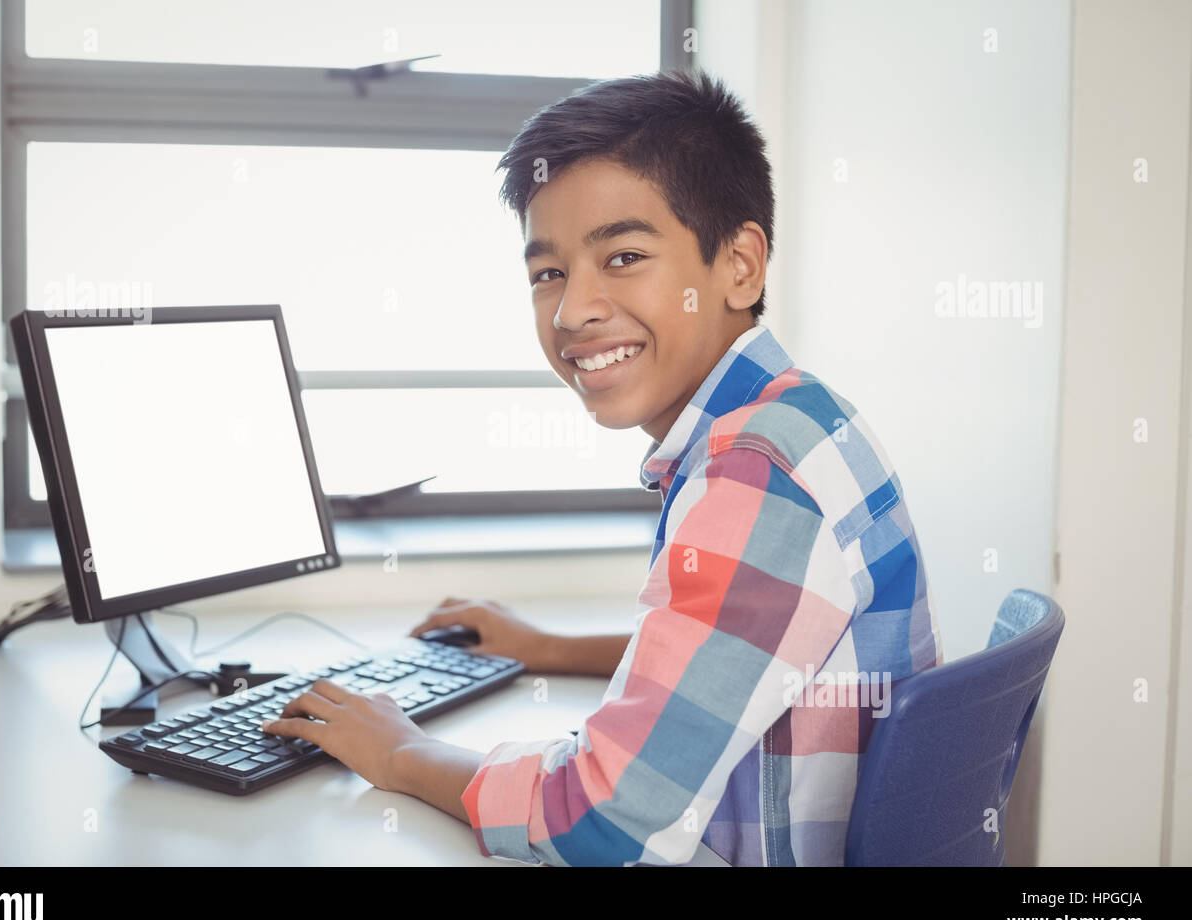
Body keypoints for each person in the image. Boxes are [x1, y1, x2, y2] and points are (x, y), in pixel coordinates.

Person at [262, 69, 943, 866]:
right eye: (547, 272)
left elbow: (605, 820)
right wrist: (546, 648)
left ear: (740, 265)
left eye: (622, 256)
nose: (571, 310)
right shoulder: (795, 416)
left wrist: (402, 754)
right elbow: (728, 651)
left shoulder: (754, 470)